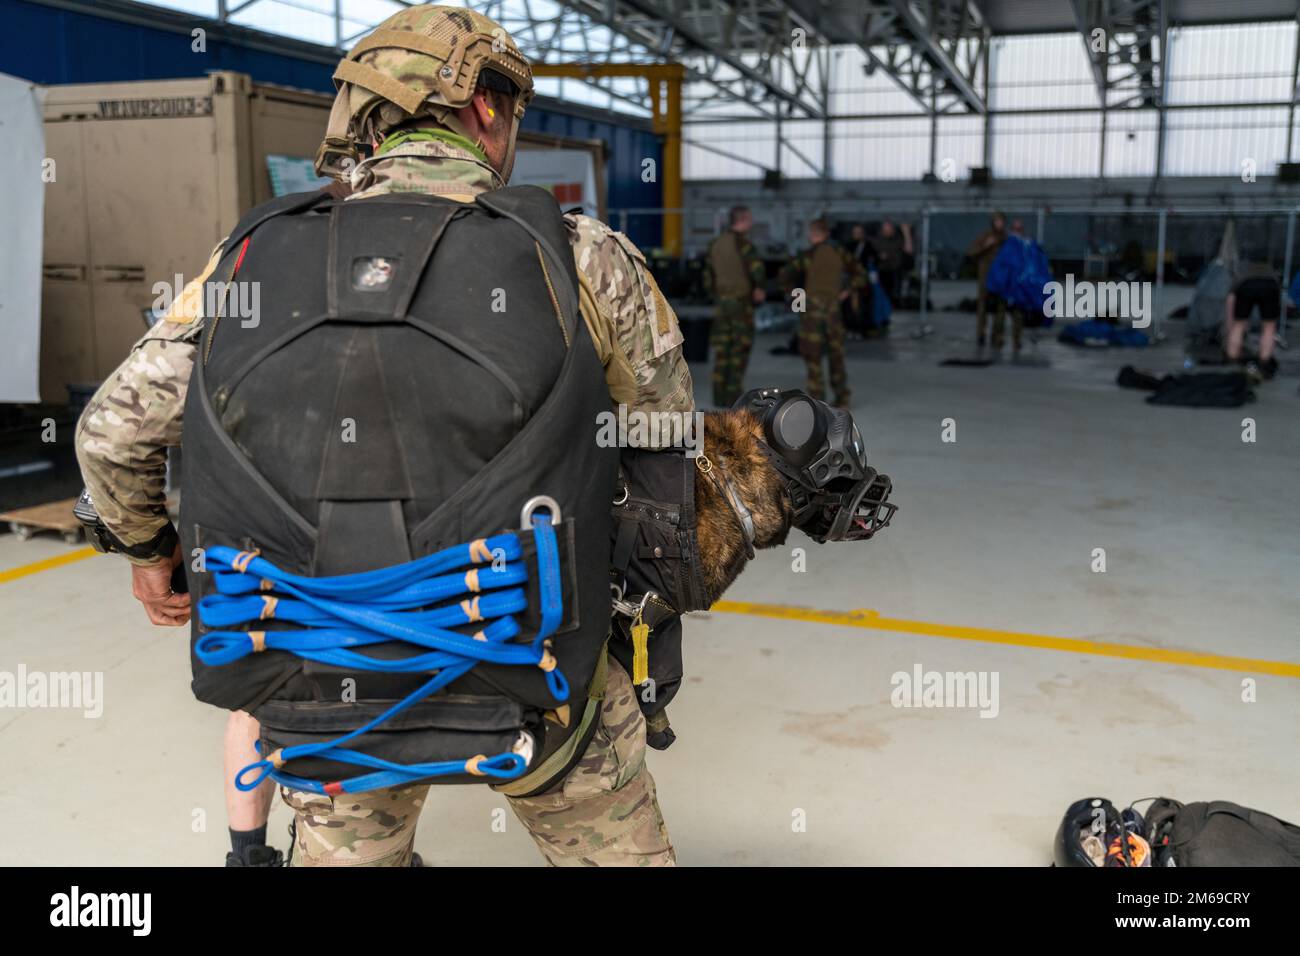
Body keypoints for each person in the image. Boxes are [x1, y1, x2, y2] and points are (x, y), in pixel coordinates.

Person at [75, 3, 693, 867]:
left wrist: (149, 550)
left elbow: (110, 432)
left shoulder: (252, 259)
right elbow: (663, 438)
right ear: (485, 107)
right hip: (545, 676)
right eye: (510, 111)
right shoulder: (579, 256)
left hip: (332, 686)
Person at [778, 218, 868, 407]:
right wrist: (847, 290)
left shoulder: (807, 256)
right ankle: (842, 398)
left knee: (813, 357)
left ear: (812, 235)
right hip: (833, 313)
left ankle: (817, 401)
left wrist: (798, 300)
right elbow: (860, 274)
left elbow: (785, 276)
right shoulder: (840, 253)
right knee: (836, 356)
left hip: (811, 315)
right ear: (827, 234)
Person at [705, 206, 766, 407]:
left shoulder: (715, 244)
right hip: (741, 306)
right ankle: (733, 398)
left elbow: (707, 278)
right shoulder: (745, 246)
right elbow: (757, 273)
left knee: (722, 351)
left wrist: (719, 296)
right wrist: (758, 290)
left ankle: (719, 396)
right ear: (743, 219)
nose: (752, 221)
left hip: (722, 305)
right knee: (739, 351)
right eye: (750, 218)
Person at [1225, 251, 1281, 379]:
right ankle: (1264, 362)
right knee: (1269, 327)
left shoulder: (1241, 272)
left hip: (1246, 285)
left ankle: (1232, 359)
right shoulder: (1271, 271)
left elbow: (1230, 300)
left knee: (1238, 325)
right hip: (1269, 285)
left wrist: (1230, 325)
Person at [966, 211, 1008, 347]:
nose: (999, 224)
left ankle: (997, 336)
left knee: (1000, 308)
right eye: (996, 221)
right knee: (982, 307)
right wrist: (985, 246)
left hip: (1001, 278)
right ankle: (981, 335)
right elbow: (971, 252)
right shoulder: (985, 236)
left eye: (1001, 221)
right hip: (985, 276)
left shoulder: (1006, 239)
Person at [872, 219, 912, 313]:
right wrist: (879, 256)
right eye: (886, 228)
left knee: (894, 291)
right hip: (881, 271)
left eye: (890, 228)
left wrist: (906, 233)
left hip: (895, 271)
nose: (888, 230)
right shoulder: (877, 240)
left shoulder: (898, 240)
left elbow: (909, 250)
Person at [845, 223, 875, 338]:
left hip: (862, 280)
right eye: (855, 233)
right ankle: (852, 327)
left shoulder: (868, 246)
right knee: (849, 305)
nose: (857, 235)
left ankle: (861, 328)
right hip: (851, 278)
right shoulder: (848, 246)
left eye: (859, 233)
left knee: (862, 305)